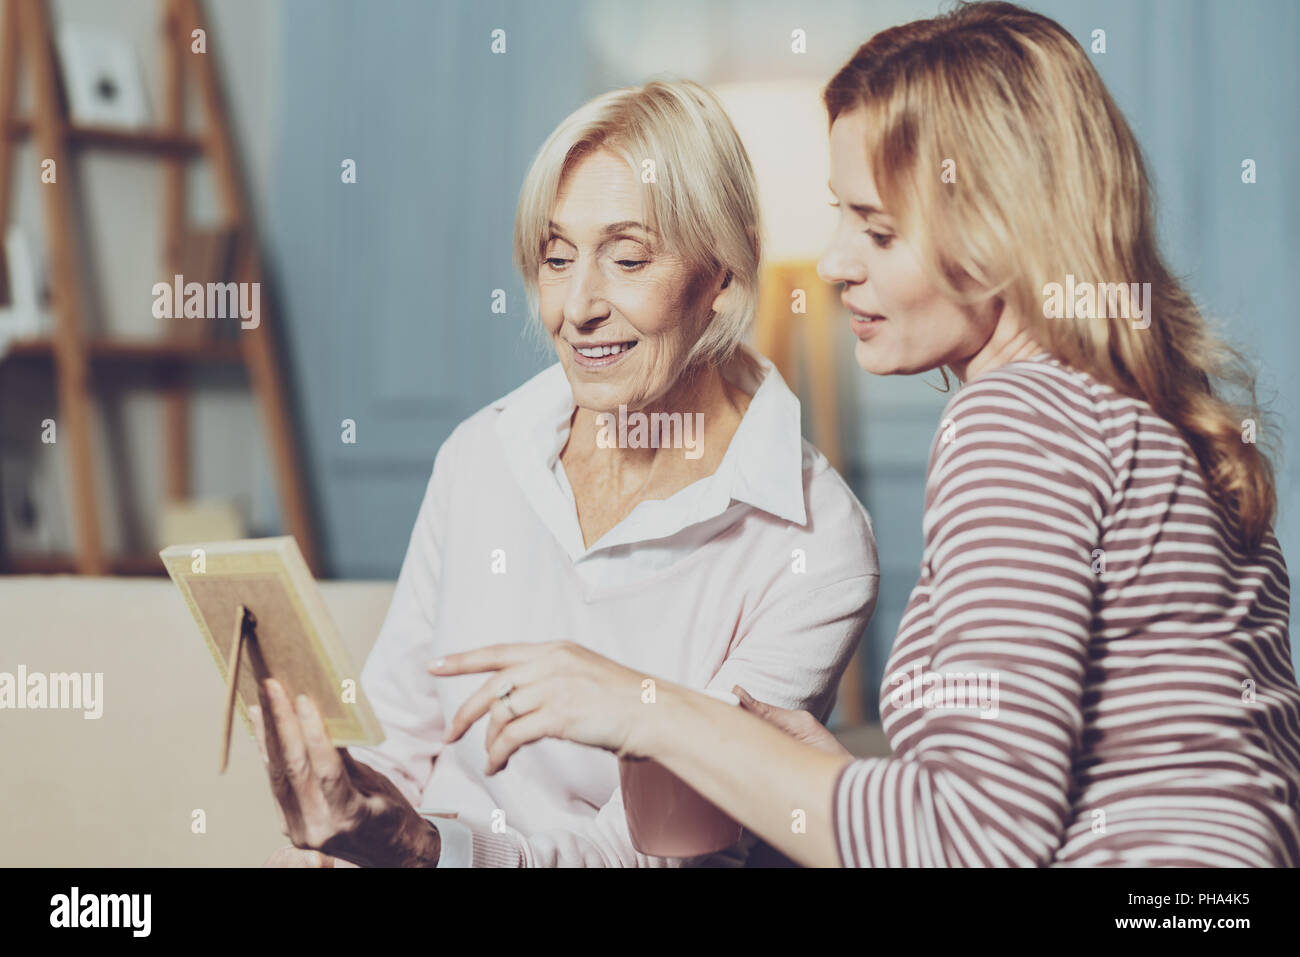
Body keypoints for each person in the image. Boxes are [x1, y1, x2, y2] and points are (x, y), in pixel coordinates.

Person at [436, 1, 1300, 867]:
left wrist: (646, 707)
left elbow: (975, 845)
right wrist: (813, 774)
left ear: (1004, 230)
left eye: (878, 229)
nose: (836, 259)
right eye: (840, 215)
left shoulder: (1019, 424)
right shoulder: (1136, 410)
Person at [250, 79, 879, 867]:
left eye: (626, 258)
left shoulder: (815, 544)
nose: (576, 306)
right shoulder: (482, 453)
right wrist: (344, 814)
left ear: (722, 273)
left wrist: (421, 847)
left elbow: (644, 851)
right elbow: (397, 742)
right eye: (556, 257)